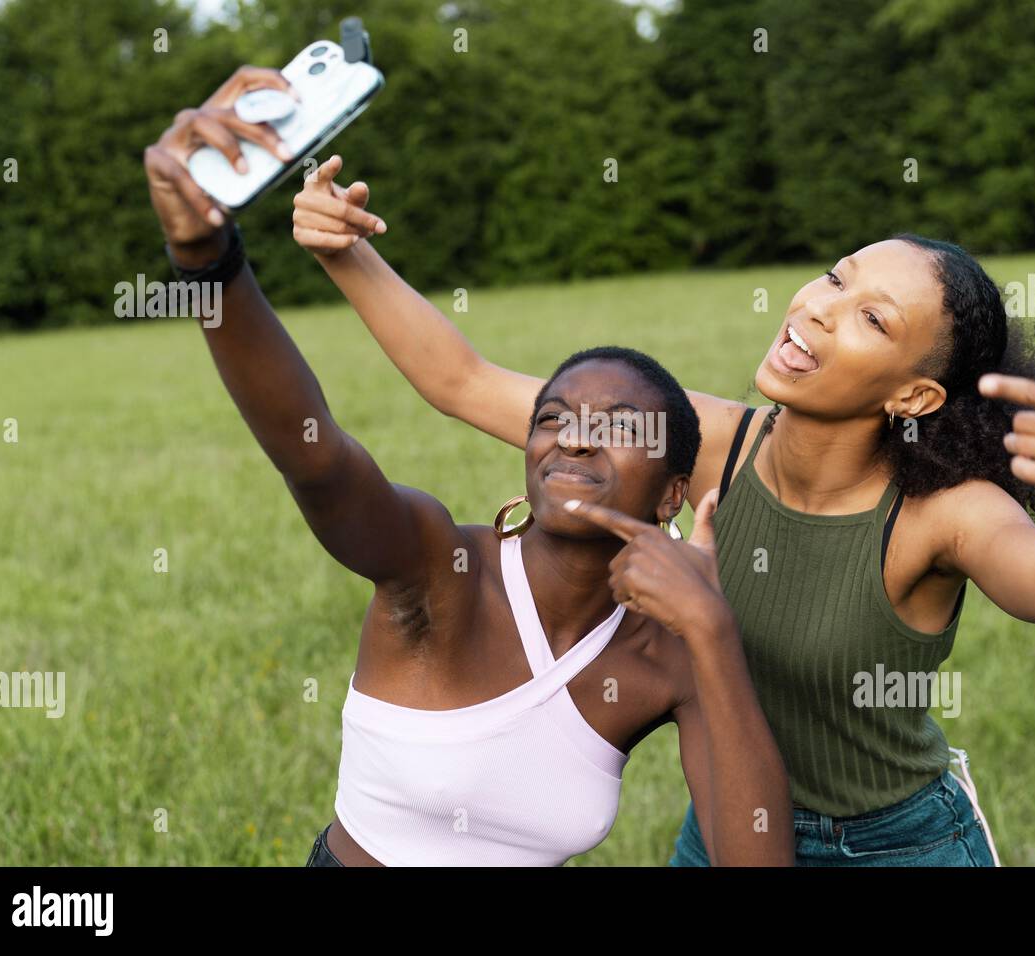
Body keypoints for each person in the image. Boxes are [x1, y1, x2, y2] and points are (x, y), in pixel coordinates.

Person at [289, 155, 1035, 866]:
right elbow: (464, 381)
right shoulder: (710, 443)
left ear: (914, 392)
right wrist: (343, 250)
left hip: (897, 845)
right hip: (731, 830)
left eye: (869, 317)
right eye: (834, 276)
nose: (817, 310)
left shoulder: (943, 515)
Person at [142, 67, 794, 867]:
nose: (574, 439)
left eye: (617, 426)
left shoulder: (668, 648)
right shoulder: (438, 568)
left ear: (672, 492)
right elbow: (315, 459)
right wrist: (210, 262)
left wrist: (712, 627)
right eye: (552, 419)